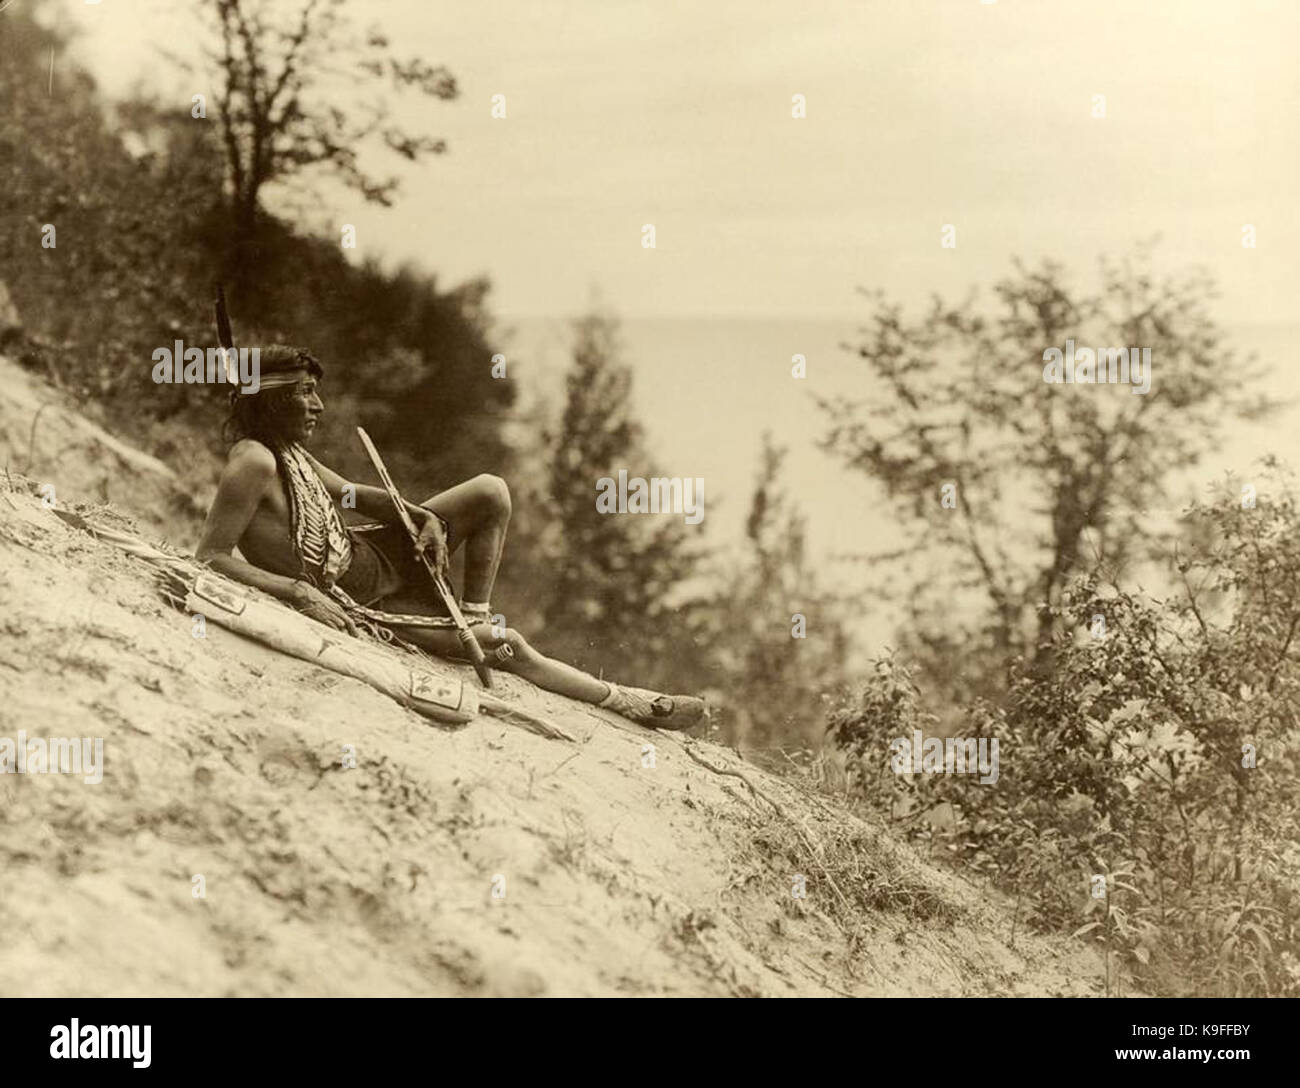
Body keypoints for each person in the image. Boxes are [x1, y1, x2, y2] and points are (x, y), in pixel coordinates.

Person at [195, 345, 705, 730]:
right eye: (305, 392)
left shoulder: (287, 451)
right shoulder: (254, 462)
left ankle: (473, 614)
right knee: (510, 646)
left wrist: (421, 517)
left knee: (490, 492)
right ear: (272, 397)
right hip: (361, 600)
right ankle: (630, 702)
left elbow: (350, 494)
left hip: (371, 555)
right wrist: (301, 593)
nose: (319, 405)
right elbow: (212, 557)